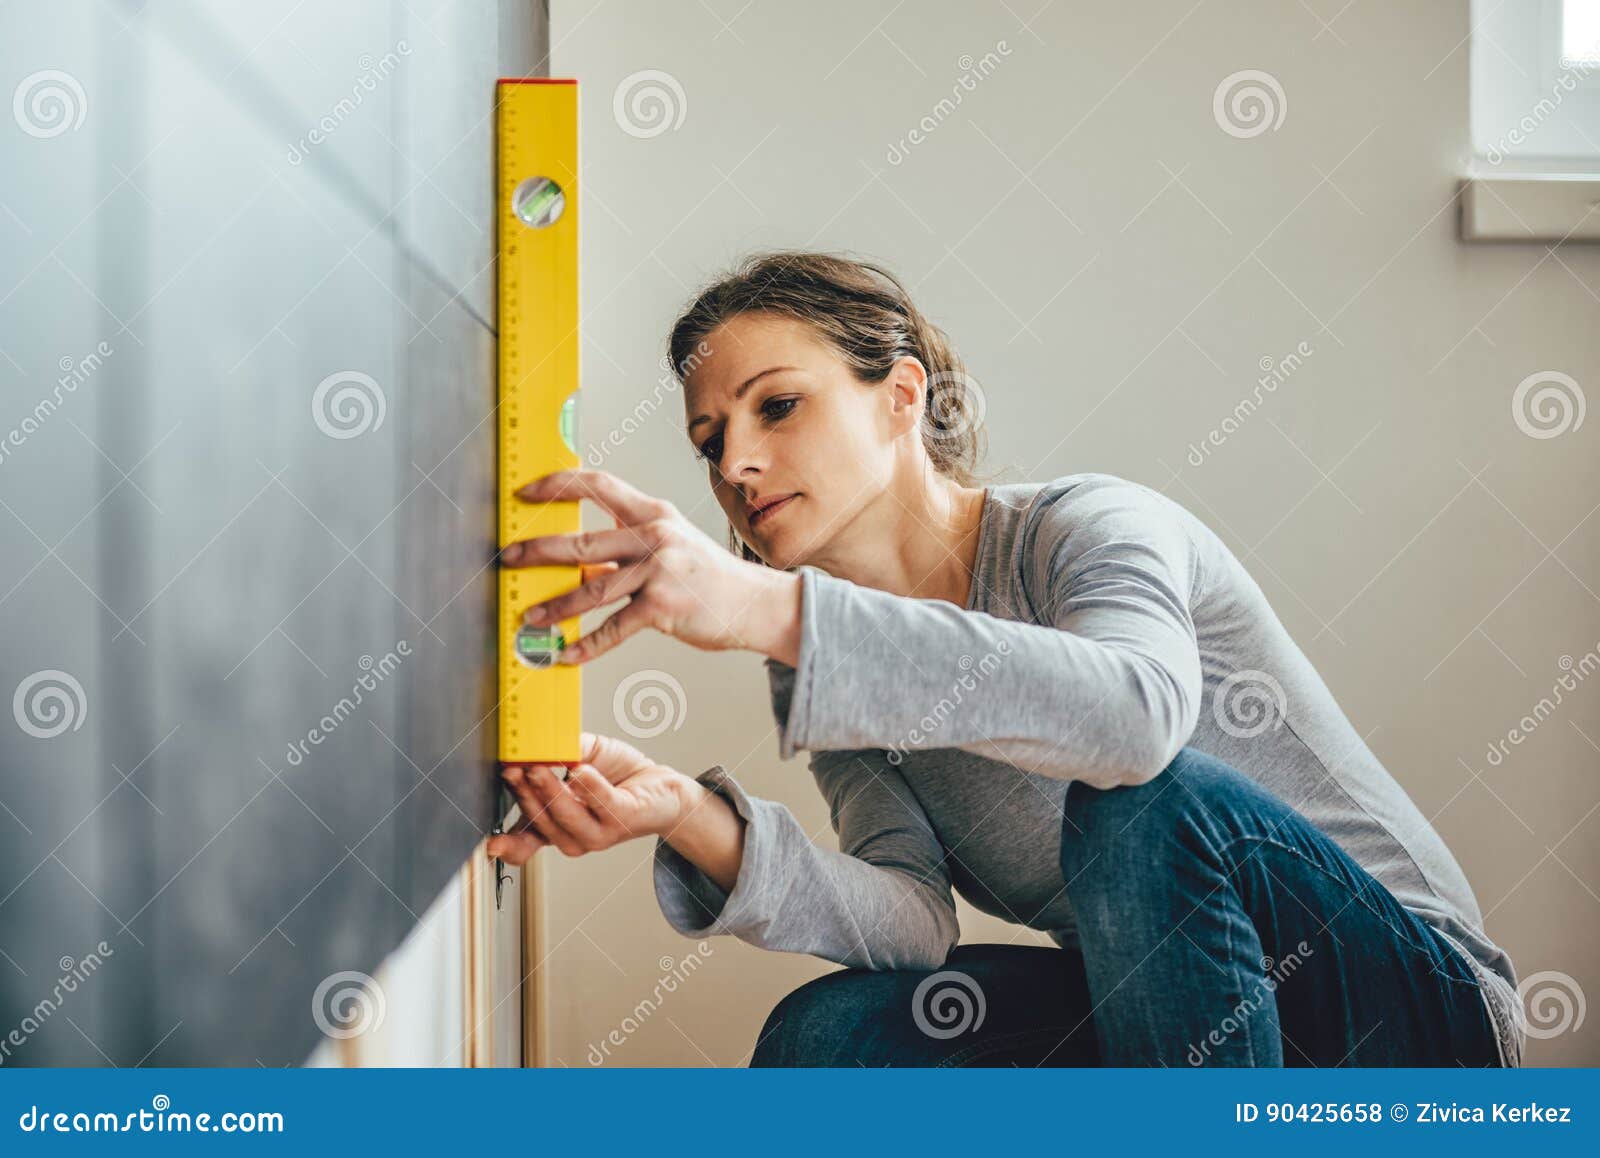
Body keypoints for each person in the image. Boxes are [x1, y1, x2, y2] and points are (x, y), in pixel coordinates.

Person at [486, 251, 1521, 1068]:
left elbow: (1136, 720)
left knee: (1134, 800)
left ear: (900, 397)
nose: (737, 464)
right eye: (710, 440)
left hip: (1414, 1020)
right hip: (1173, 1028)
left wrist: (770, 605)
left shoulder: (1091, 529)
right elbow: (910, 919)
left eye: (777, 406)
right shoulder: (819, 658)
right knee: (832, 1036)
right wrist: (688, 815)